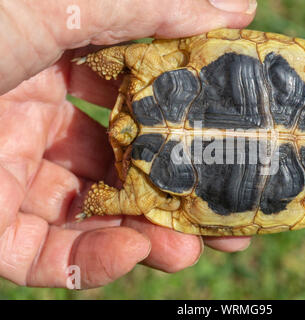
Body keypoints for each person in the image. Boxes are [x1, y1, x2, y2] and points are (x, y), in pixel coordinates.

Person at [0, 0, 256, 289]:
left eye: (121, 132)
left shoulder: (152, 73)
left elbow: (146, 58)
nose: (115, 133)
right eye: (124, 131)